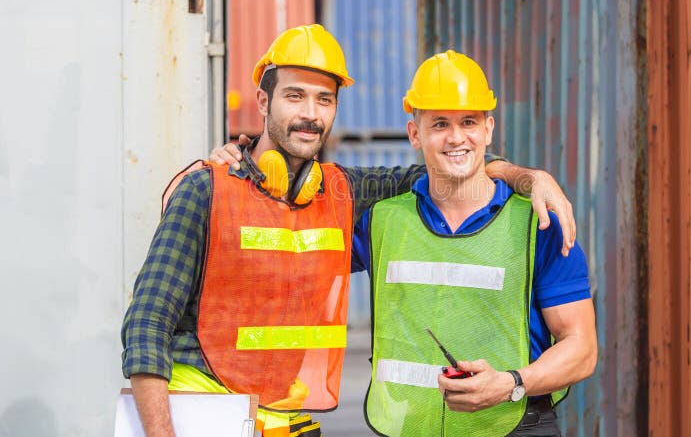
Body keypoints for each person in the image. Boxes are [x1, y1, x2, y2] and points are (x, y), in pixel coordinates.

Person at [122, 25, 577, 437]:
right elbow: (146, 324)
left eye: (324, 99)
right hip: (200, 416)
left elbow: (451, 165)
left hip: (284, 420)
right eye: (294, 96)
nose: (310, 113)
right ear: (263, 102)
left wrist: (529, 177)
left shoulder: (341, 193)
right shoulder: (207, 189)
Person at [352, 50, 597, 437]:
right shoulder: (380, 222)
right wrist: (236, 165)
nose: (456, 137)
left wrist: (511, 383)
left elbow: (582, 349)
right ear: (415, 134)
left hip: (515, 426)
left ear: (488, 129)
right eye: (439, 124)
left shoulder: (538, 223)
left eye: (468, 121)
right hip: (410, 428)